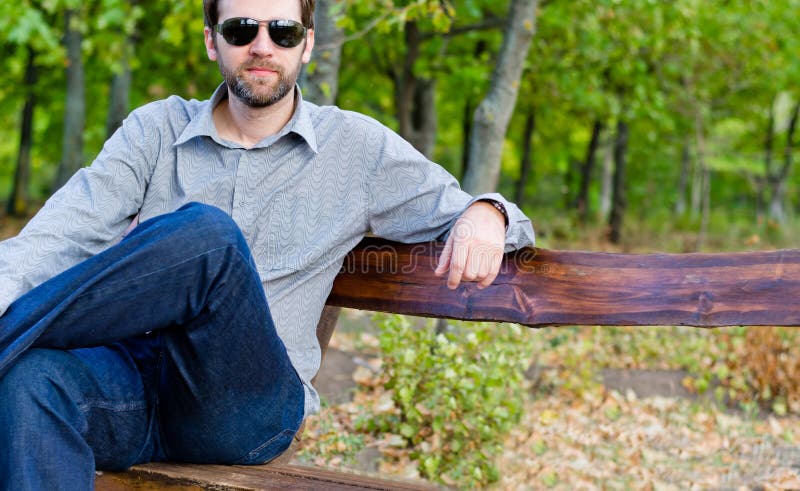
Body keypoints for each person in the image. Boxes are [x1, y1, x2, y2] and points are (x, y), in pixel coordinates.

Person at [0, 0, 535, 488]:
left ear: (306, 43)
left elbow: (484, 215)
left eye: (282, 31)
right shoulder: (156, 130)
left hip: (246, 411)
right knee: (31, 380)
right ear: (213, 42)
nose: (262, 46)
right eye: (240, 29)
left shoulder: (354, 148)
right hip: (136, 390)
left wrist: (487, 213)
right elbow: (55, 238)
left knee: (208, 238)